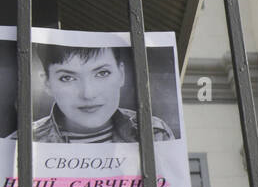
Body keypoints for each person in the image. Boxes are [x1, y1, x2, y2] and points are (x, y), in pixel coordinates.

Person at [11, 44, 174, 144]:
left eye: (102, 73)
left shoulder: (153, 133)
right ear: (47, 83)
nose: (88, 94)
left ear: (121, 75)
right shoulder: (21, 142)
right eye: (67, 77)